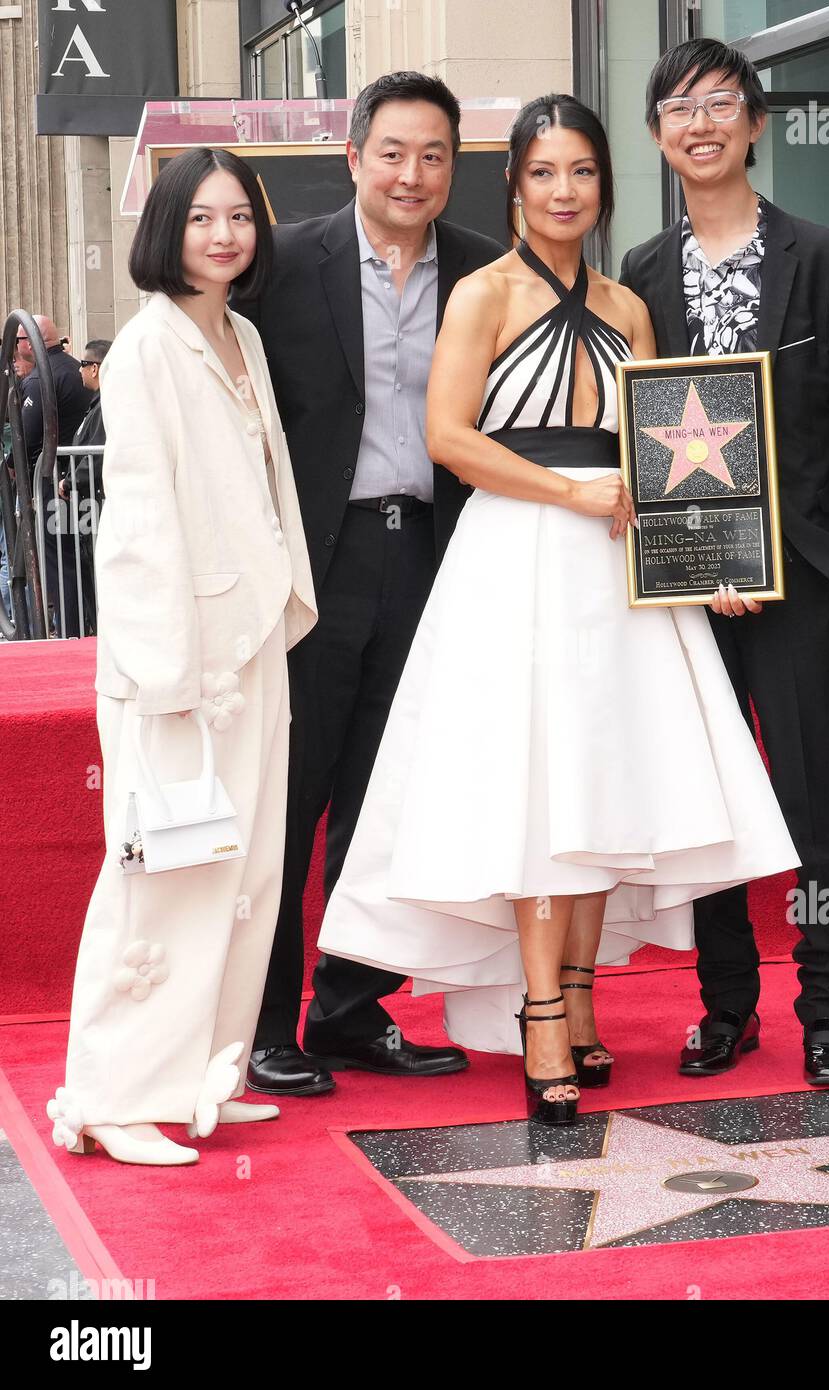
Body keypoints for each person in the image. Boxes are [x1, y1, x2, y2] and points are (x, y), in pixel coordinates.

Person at [317, 94, 799, 1124]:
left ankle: (579, 1001)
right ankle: (539, 1011)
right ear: (513, 184)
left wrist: (714, 546)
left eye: (580, 171)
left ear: (603, 183)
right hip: (517, 556)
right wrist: (570, 492)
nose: (563, 191)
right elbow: (450, 437)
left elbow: (675, 446)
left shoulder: (629, 308)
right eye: (542, 173)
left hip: (620, 572)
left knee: (597, 782)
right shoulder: (481, 294)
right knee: (535, 785)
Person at [620, 39, 829, 1085]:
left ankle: (828, 1006)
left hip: (801, 572)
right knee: (703, 797)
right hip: (689, 576)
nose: (698, 124)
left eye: (718, 105)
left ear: (753, 124)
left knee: (813, 793)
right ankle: (724, 1005)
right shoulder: (640, 273)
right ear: (657, 134)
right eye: (677, 109)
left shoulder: (822, 257)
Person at [234, 72, 506, 1099]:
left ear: (452, 167)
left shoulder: (482, 274)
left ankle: (350, 1011)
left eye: (433, 155)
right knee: (289, 800)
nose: (412, 173)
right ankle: (263, 1026)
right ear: (353, 158)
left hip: (428, 561)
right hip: (312, 567)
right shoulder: (285, 262)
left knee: (385, 801)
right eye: (391, 152)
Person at [46, 146, 318, 1166]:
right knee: (158, 871)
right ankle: (111, 1095)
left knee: (243, 869)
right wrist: (165, 672)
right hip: (181, 654)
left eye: (238, 216)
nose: (223, 235)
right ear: (167, 228)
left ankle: (206, 1069)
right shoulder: (153, 344)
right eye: (201, 217)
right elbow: (142, 516)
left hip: (251, 638)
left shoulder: (238, 329)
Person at [8, 318, 95, 636]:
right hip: (74, 479)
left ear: (29, 342)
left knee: (60, 563)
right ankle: (80, 625)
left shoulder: (41, 379)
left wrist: (13, 465)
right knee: (75, 559)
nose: (15, 348)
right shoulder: (74, 369)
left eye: (17, 341)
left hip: (52, 481)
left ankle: (70, 629)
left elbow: (27, 436)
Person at [56, 340, 112, 634]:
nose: (79, 371)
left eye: (83, 364)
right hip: (89, 504)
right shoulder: (98, 406)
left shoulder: (106, 407)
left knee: (98, 574)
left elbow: (98, 455)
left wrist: (70, 481)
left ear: (95, 368)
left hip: (97, 504)